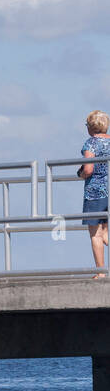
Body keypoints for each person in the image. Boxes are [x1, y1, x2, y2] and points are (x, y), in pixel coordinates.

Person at [76, 110, 110, 277]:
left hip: (95, 192)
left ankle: (101, 271)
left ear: (90, 128)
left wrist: (81, 174)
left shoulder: (91, 144)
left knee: (95, 234)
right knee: (104, 231)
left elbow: (89, 169)